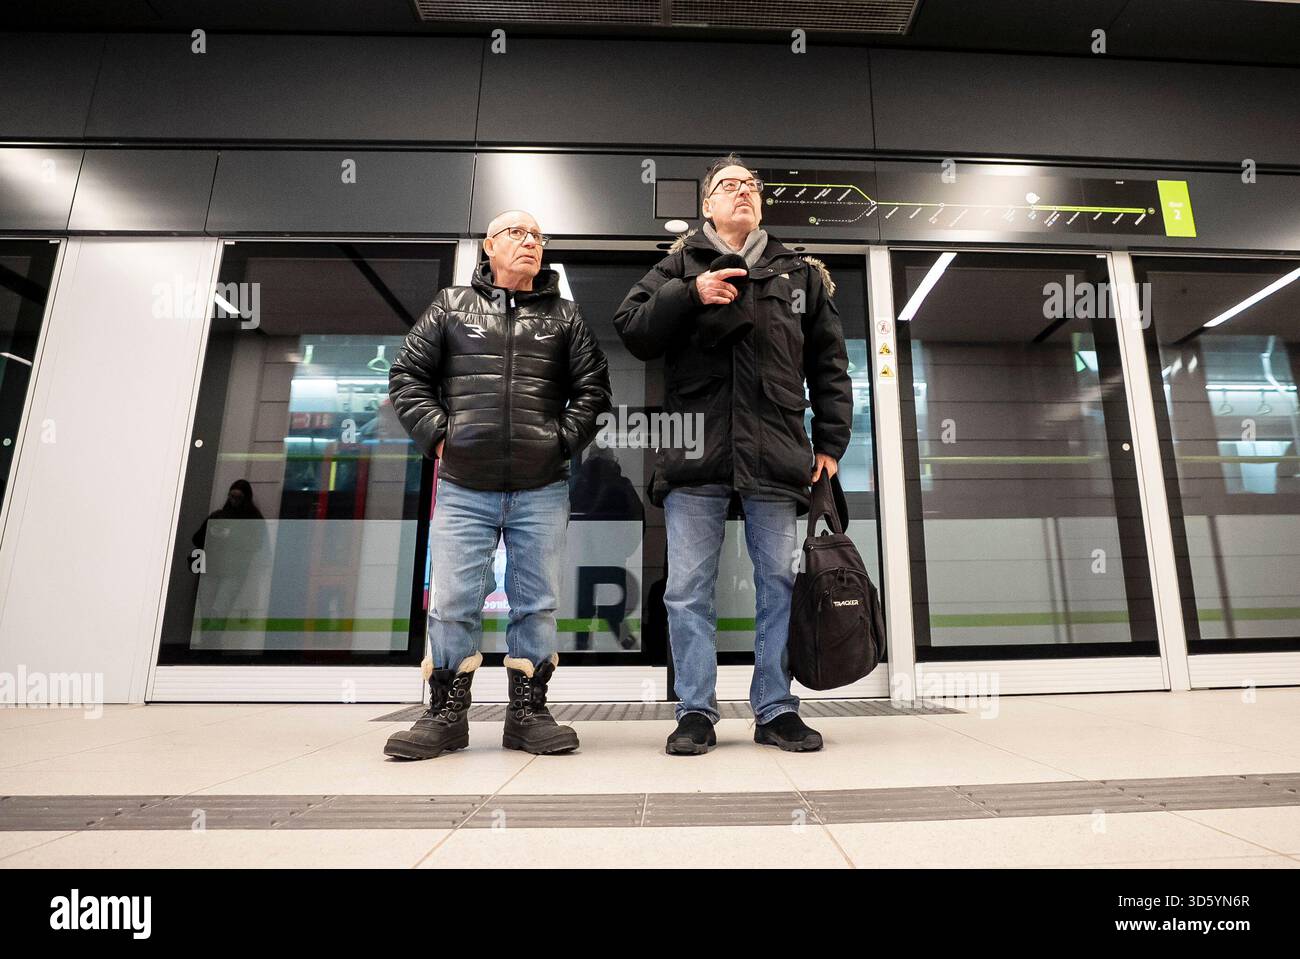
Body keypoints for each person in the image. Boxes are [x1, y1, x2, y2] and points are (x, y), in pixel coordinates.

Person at [613, 154, 852, 755]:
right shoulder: (677, 265)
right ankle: (695, 711)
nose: (742, 191)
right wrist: (689, 294)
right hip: (695, 450)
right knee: (687, 586)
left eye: (751, 185)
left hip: (775, 449)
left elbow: (830, 365)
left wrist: (831, 441)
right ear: (707, 205)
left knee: (778, 581)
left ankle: (775, 708)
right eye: (728, 184)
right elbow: (633, 329)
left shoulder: (800, 275)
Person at [384, 210, 613, 759]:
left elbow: (593, 387)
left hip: (542, 485)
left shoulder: (566, 317)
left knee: (536, 603)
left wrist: (558, 440)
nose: (529, 241)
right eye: (516, 232)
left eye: (537, 235)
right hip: (465, 483)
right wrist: (442, 438)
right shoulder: (449, 306)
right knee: (453, 601)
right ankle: (444, 715)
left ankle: (528, 714)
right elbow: (406, 376)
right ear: (489, 246)